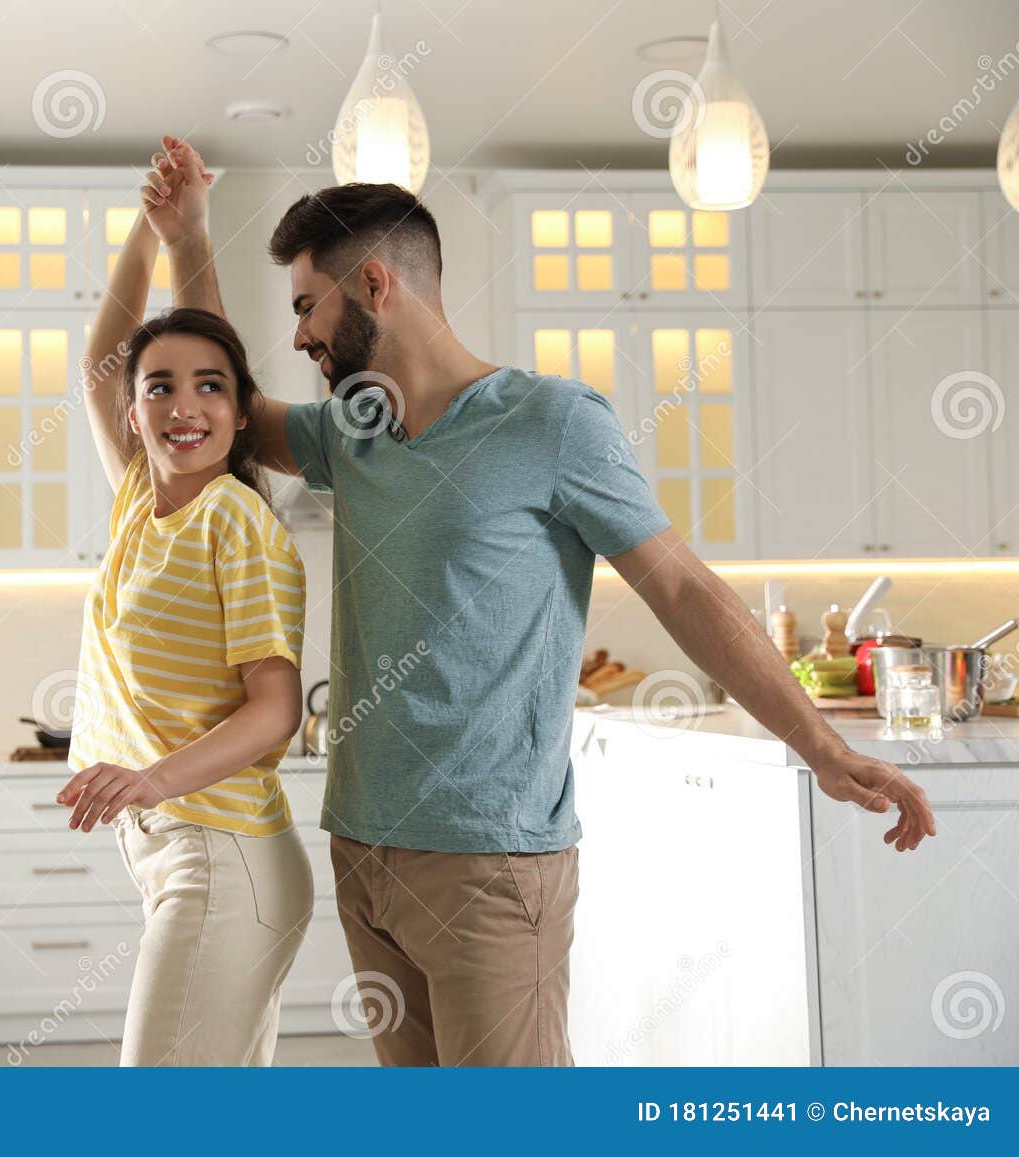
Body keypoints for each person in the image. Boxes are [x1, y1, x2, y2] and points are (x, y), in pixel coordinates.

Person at [146, 135, 938, 1067]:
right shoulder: (352, 431)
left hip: (491, 864)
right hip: (362, 849)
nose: (299, 338)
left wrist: (825, 747)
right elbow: (214, 397)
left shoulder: (552, 422)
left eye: (307, 306)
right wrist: (188, 234)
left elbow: (682, 587)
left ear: (374, 284)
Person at [53, 146, 314, 1067]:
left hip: (220, 856)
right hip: (182, 852)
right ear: (134, 411)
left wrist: (152, 779)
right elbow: (100, 358)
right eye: (159, 385)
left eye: (213, 386)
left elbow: (276, 707)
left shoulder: (234, 522)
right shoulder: (140, 498)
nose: (185, 403)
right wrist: (160, 225)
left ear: (242, 411)